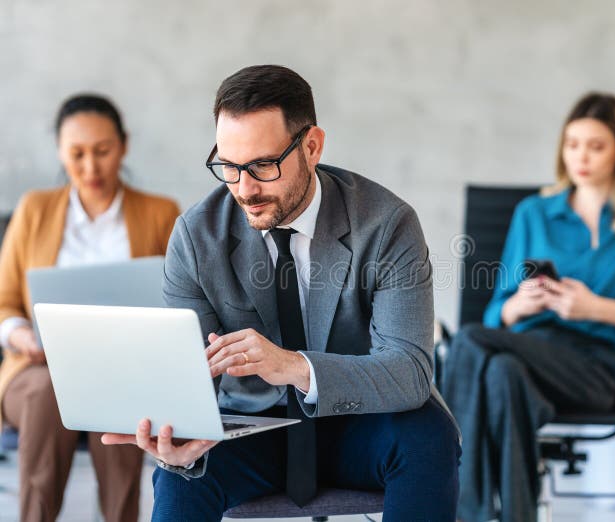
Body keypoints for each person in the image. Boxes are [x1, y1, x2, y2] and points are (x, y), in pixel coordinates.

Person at [101, 64, 460, 522]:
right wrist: (178, 438)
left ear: (311, 147)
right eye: (228, 167)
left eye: (262, 166)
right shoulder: (196, 236)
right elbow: (186, 377)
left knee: (428, 434)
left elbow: (409, 372)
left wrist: (292, 367)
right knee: (180, 475)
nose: (244, 189)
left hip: (359, 425)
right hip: (252, 432)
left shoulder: (387, 225)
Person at [441, 93, 615, 522]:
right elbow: (498, 314)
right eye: (572, 144)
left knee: (471, 340)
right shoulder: (534, 212)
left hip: (598, 366)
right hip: (526, 354)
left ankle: (458, 510)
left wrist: (591, 307)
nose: (580, 156)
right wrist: (521, 305)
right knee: (500, 374)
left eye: (596, 146)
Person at [0, 94, 181, 522]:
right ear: (60, 153)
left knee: (113, 391)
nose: (90, 168)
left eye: (102, 152)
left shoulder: (160, 213)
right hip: (35, 371)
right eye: (76, 154)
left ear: (123, 145)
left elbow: (182, 301)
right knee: (47, 390)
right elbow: (4, 301)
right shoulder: (34, 210)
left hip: (123, 370)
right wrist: (23, 336)